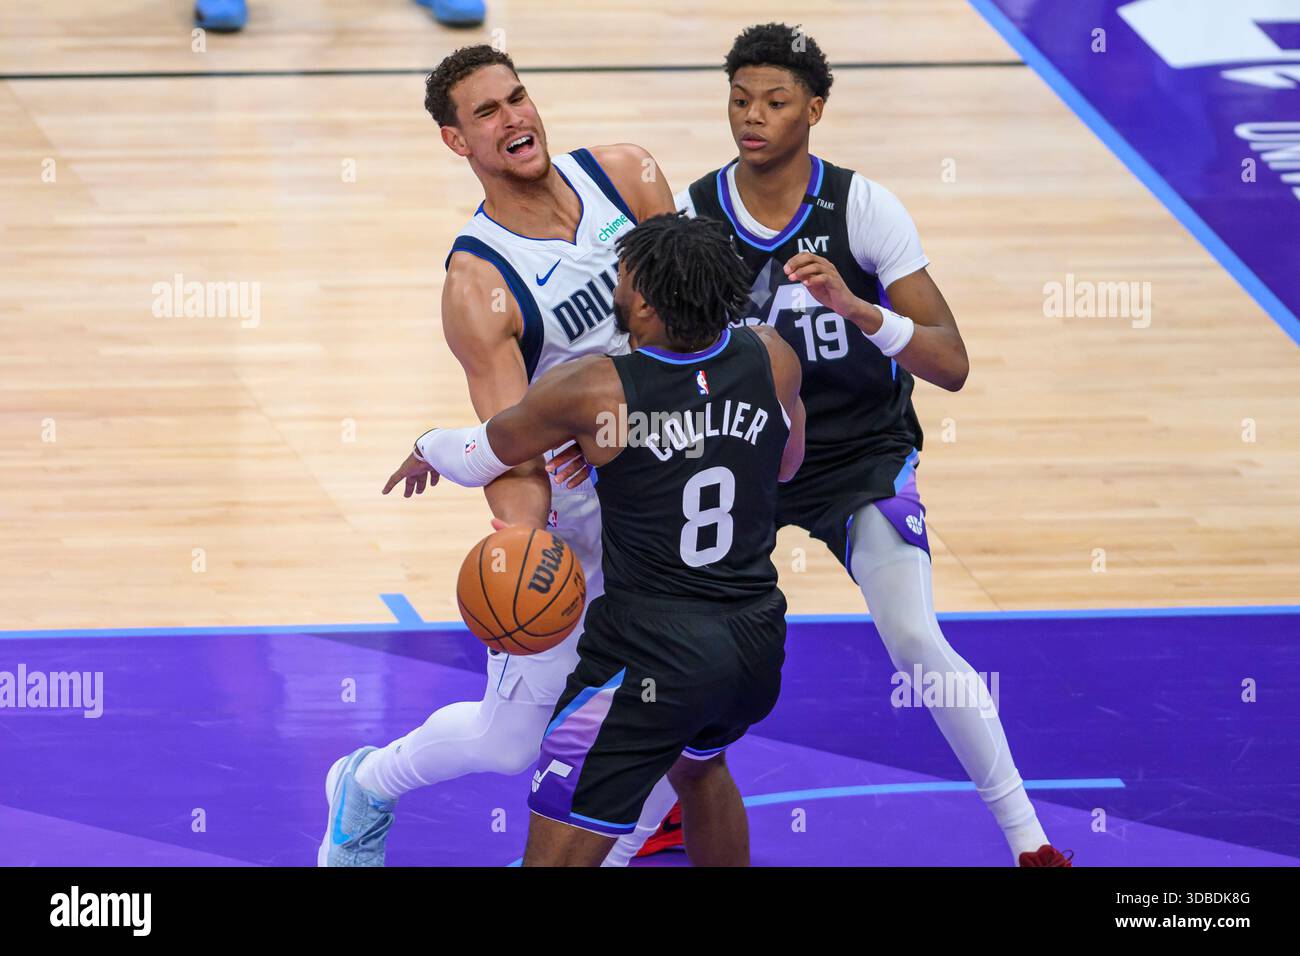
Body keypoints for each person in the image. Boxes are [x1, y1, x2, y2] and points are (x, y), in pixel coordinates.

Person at [600, 22, 1071, 866]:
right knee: (668, 638)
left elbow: (952, 363)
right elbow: (652, 343)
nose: (753, 117)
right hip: (740, 450)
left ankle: (1029, 842)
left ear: (814, 110)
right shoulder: (700, 215)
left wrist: (861, 311)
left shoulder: (862, 207)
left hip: (858, 457)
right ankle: (668, 803)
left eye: (775, 102)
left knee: (915, 639)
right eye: (741, 99)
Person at [318, 44, 681, 866]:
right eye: (486, 112)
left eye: (516, 98)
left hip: (669, 484)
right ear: (459, 143)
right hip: (582, 522)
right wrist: (526, 547)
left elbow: (699, 310)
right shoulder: (478, 285)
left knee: (681, 689)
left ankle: (648, 817)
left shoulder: (629, 175)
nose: (514, 118)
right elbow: (515, 453)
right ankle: (367, 782)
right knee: (508, 741)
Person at [384, 212, 806, 865]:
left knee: (552, 848)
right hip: (752, 641)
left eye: (626, 276)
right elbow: (785, 464)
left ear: (644, 301)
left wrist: (423, 447)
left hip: (651, 657)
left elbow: (479, 454)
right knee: (699, 770)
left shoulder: (592, 389)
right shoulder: (772, 354)